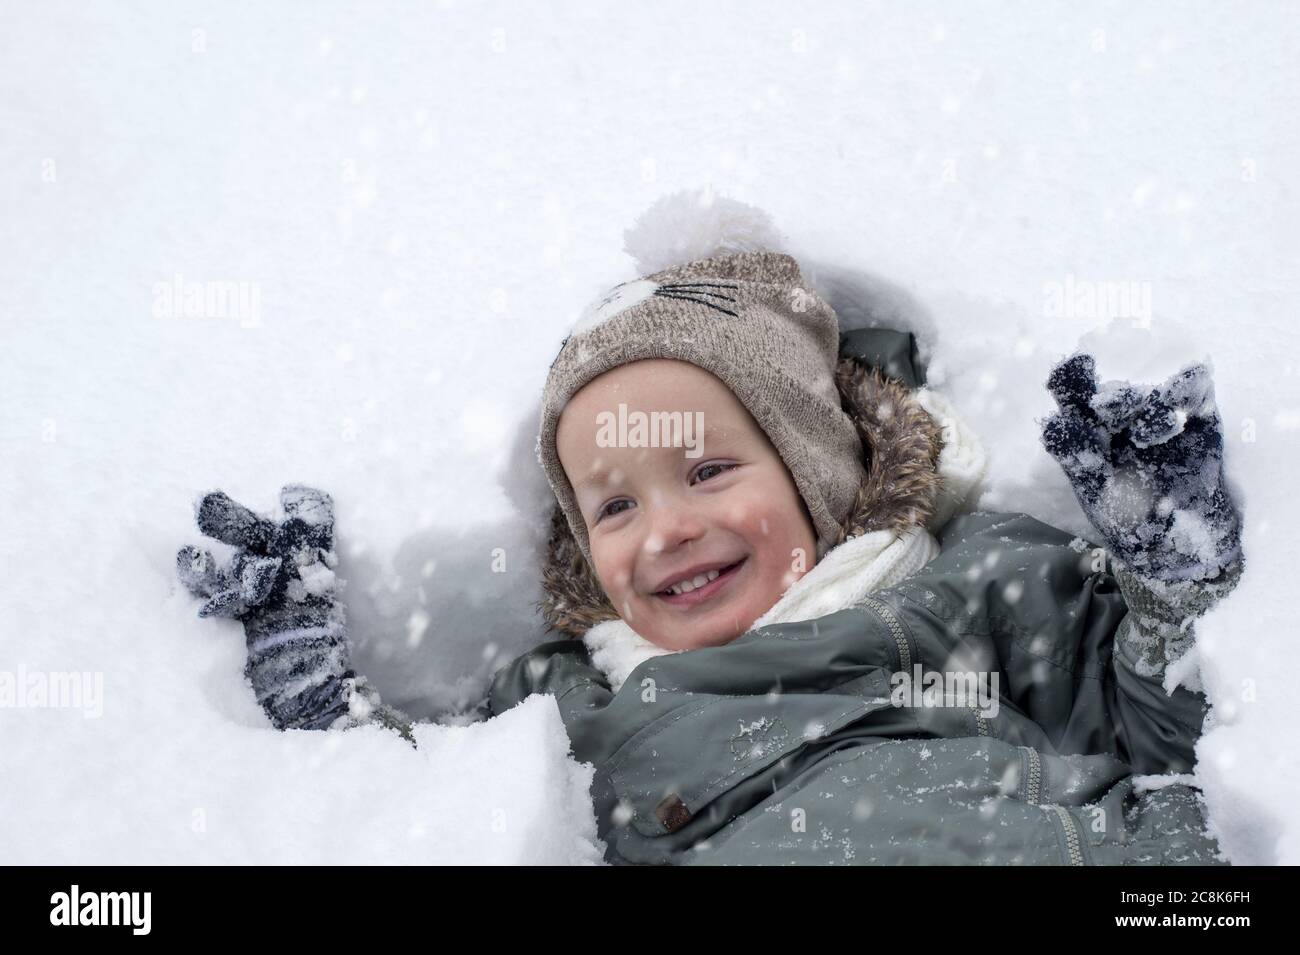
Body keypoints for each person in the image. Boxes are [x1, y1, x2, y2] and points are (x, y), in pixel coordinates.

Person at [175, 200, 1243, 865]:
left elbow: (1159, 725)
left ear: (817, 472)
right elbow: (421, 817)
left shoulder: (963, 585)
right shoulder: (577, 696)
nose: (668, 530)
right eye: (615, 504)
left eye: (708, 470)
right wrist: (314, 685)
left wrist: (1165, 572)